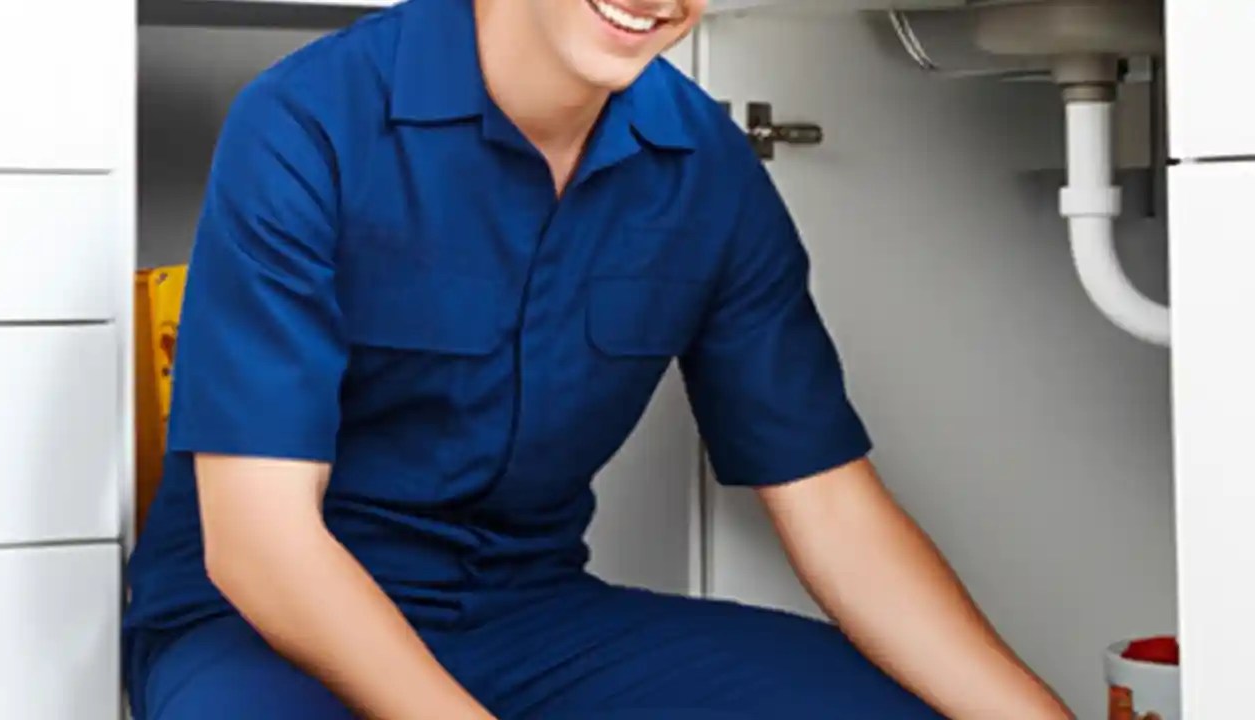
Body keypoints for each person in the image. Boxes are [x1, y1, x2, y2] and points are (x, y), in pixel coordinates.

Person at [123, 0, 1075, 717]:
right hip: (262, 631)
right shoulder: (307, 120)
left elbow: (827, 502)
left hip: (527, 616)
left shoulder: (708, 166)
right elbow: (260, 547)